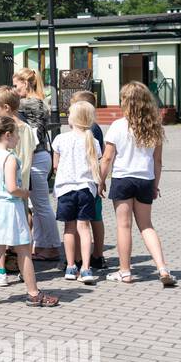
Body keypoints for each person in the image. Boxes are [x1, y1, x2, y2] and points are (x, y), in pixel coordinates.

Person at [0, 116, 60, 308]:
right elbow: (12, 187)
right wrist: (25, 192)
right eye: (17, 135)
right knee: (24, 250)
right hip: (10, 207)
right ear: (7, 135)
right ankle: (34, 293)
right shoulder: (10, 158)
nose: (19, 138)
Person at [100, 81, 175, 286]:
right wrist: (155, 185)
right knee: (146, 226)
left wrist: (100, 180)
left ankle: (125, 272)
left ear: (125, 102)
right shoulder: (155, 127)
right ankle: (162, 268)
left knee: (124, 226)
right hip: (145, 180)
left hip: (123, 179)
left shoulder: (118, 126)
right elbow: (158, 161)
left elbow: (107, 158)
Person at [0, 87, 36, 288]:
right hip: (19, 186)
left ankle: (1, 271)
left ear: (6, 107)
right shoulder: (26, 129)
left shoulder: (10, 132)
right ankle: (22, 271)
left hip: (7, 188)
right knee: (22, 232)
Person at [13, 68, 61, 260]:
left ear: (25, 83)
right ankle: (42, 245)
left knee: (41, 206)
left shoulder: (27, 103)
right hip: (40, 156)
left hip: (35, 157)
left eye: (16, 86)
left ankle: (52, 246)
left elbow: (2, 104)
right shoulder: (39, 101)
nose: (14, 90)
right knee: (38, 206)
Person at [52, 100, 100, 285]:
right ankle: (86, 268)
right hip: (86, 188)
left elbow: (56, 165)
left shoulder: (60, 139)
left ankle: (71, 265)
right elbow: (97, 163)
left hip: (66, 189)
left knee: (69, 229)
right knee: (84, 228)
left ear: (72, 118)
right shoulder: (93, 141)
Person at [68, 90, 107, 269]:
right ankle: (98, 255)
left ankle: (78, 258)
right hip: (92, 180)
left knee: (80, 222)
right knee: (95, 218)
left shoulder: (88, 130)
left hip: (84, 181)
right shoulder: (95, 128)